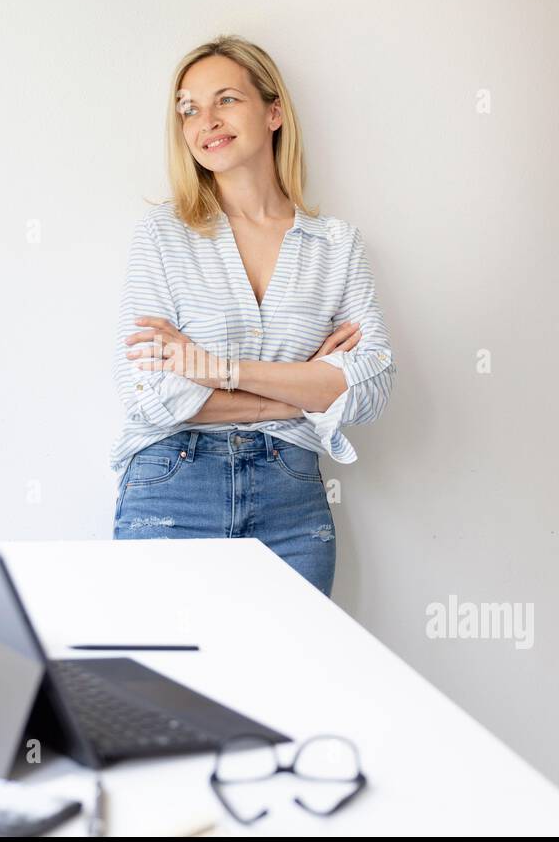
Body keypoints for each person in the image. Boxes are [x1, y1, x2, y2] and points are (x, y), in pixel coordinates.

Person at [109, 34, 397, 599]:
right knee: (164, 688)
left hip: (291, 501)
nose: (204, 122)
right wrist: (301, 392)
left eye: (225, 100)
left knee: (286, 686)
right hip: (172, 489)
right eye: (188, 109)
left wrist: (215, 370)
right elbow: (145, 390)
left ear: (274, 111)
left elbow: (373, 386)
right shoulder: (163, 235)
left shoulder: (336, 246)